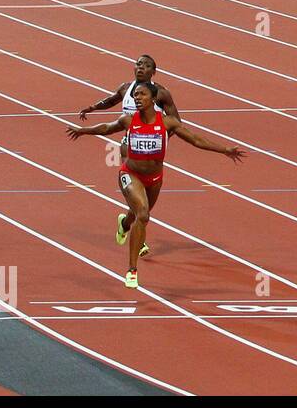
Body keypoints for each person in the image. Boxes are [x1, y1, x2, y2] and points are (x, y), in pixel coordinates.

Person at [67, 82, 244, 288]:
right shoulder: (129, 120)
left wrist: (224, 150)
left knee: (138, 215)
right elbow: (107, 128)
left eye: (141, 95)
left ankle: (124, 223)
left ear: (153, 99)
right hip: (130, 174)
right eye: (135, 96)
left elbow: (196, 140)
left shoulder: (168, 123)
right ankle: (132, 270)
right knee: (143, 214)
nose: (137, 99)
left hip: (155, 179)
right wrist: (83, 131)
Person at [78, 54, 180, 257]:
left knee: (142, 206)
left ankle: (125, 223)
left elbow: (176, 120)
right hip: (129, 145)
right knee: (139, 200)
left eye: (146, 65)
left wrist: (158, 138)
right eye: (138, 64)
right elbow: (111, 100)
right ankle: (139, 241)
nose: (141, 68)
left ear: (154, 71)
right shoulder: (125, 88)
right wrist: (93, 107)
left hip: (151, 149)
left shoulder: (161, 93)